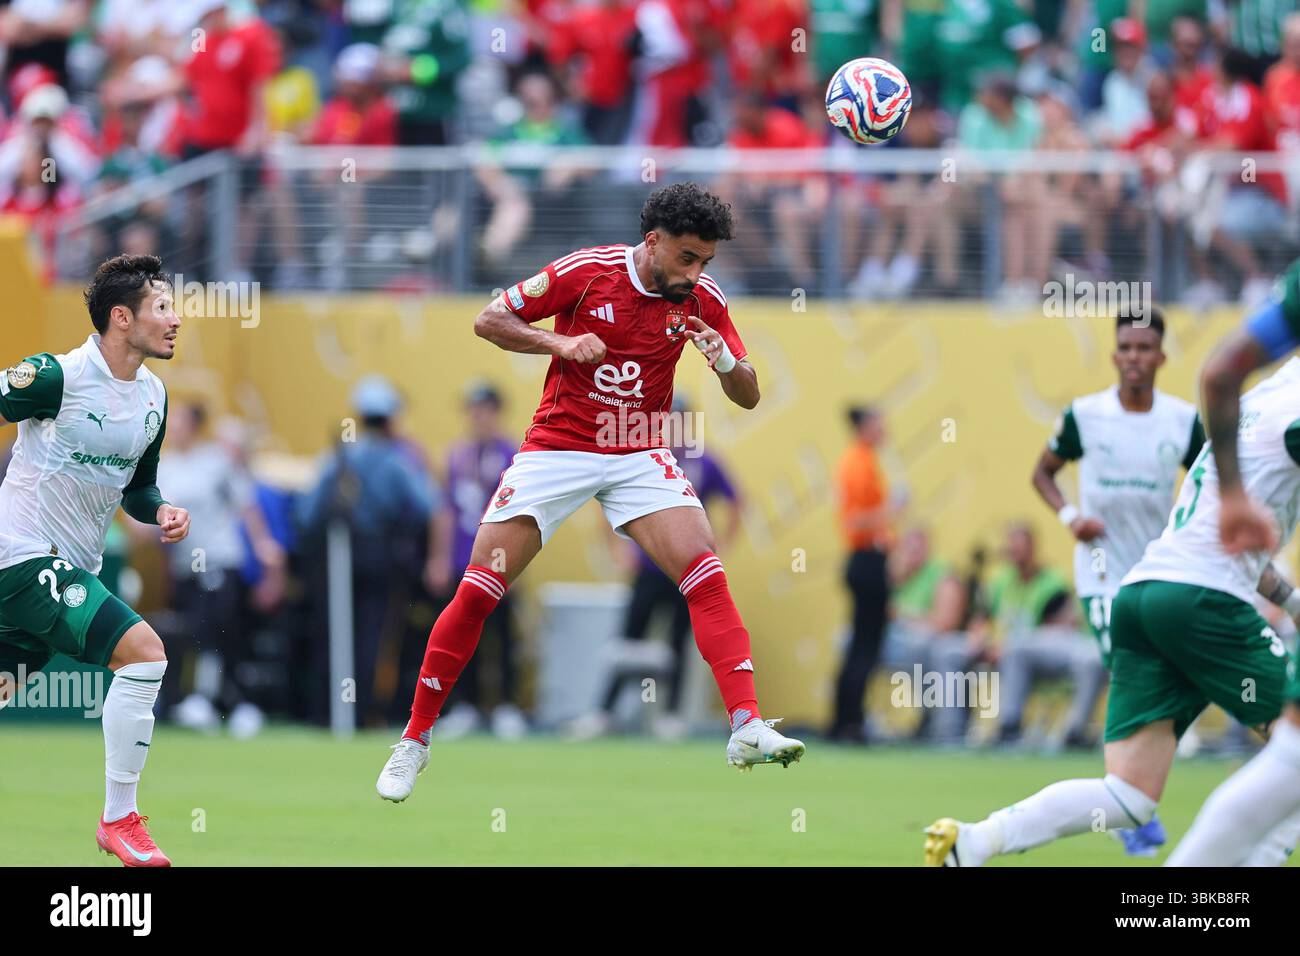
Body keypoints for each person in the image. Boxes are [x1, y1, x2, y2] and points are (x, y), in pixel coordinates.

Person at [376, 182, 805, 803]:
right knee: (478, 591)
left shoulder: (702, 299)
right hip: (558, 448)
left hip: (638, 449)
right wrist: (559, 341)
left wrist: (725, 364)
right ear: (652, 242)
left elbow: (750, 392)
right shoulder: (587, 272)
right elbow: (489, 318)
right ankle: (414, 740)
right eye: (687, 257)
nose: (696, 272)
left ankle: (744, 726)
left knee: (705, 571)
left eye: (706, 261)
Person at [924, 352, 1300, 867]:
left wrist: (1292, 603)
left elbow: (1226, 532)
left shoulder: (1256, 404)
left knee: (1128, 796)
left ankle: (976, 840)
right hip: (1201, 600)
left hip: (1144, 595)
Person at [0, 254, 189, 866]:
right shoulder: (56, 376)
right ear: (121, 317)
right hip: (22, 559)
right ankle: (120, 819)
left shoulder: (155, 398)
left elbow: (137, 487)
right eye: (162, 307)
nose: (175, 318)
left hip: (64, 571)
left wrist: (159, 511)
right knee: (145, 654)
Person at [1029, 310, 1204, 851]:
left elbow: (1212, 484)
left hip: (1157, 573)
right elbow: (1043, 472)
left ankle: (1132, 796)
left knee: (1165, 679)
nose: (1134, 357)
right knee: (1124, 666)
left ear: (1161, 358)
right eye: (1125, 347)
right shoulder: (1085, 415)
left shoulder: (1183, 420)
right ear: (1113, 355)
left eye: (1144, 348)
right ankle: (1131, 809)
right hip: (1102, 575)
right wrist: (1069, 517)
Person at [1163, 258, 1300, 864]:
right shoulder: (1286, 413)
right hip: (1201, 596)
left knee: (1127, 796)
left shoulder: (1268, 395)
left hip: (1166, 585)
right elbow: (1220, 374)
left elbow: (1222, 371)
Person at [569, 395, 743, 739]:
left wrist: (717, 547)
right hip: (648, 568)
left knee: (678, 640)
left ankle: (670, 714)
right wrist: (617, 549)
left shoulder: (702, 461)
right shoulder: (644, 458)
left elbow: (736, 501)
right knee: (628, 639)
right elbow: (608, 496)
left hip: (684, 572)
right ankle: (604, 711)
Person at [297, 376, 440, 728]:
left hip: (338, 556)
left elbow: (307, 511)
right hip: (380, 555)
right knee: (371, 636)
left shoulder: (339, 455)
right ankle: (360, 712)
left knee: (332, 630)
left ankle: (325, 711)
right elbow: (426, 505)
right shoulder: (396, 461)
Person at [427, 382, 527, 740]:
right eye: (473, 408)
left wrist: (517, 562)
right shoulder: (456, 456)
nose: (478, 416)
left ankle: (505, 706)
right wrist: (438, 558)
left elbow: (522, 512)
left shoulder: (512, 453)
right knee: (461, 634)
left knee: (502, 636)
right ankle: (464, 706)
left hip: (500, 561)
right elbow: (445, 510)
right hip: (462, 559)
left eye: (485, 409)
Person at [828, 405, 897, 743]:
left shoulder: (865, 460)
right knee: (865, 644)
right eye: (878, 422)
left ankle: (847, 719)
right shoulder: (858, 462)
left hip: (868, 559)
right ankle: (849, 721)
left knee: (862, 643)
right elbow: (855, 520)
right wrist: (891, 509)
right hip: (866, 560)